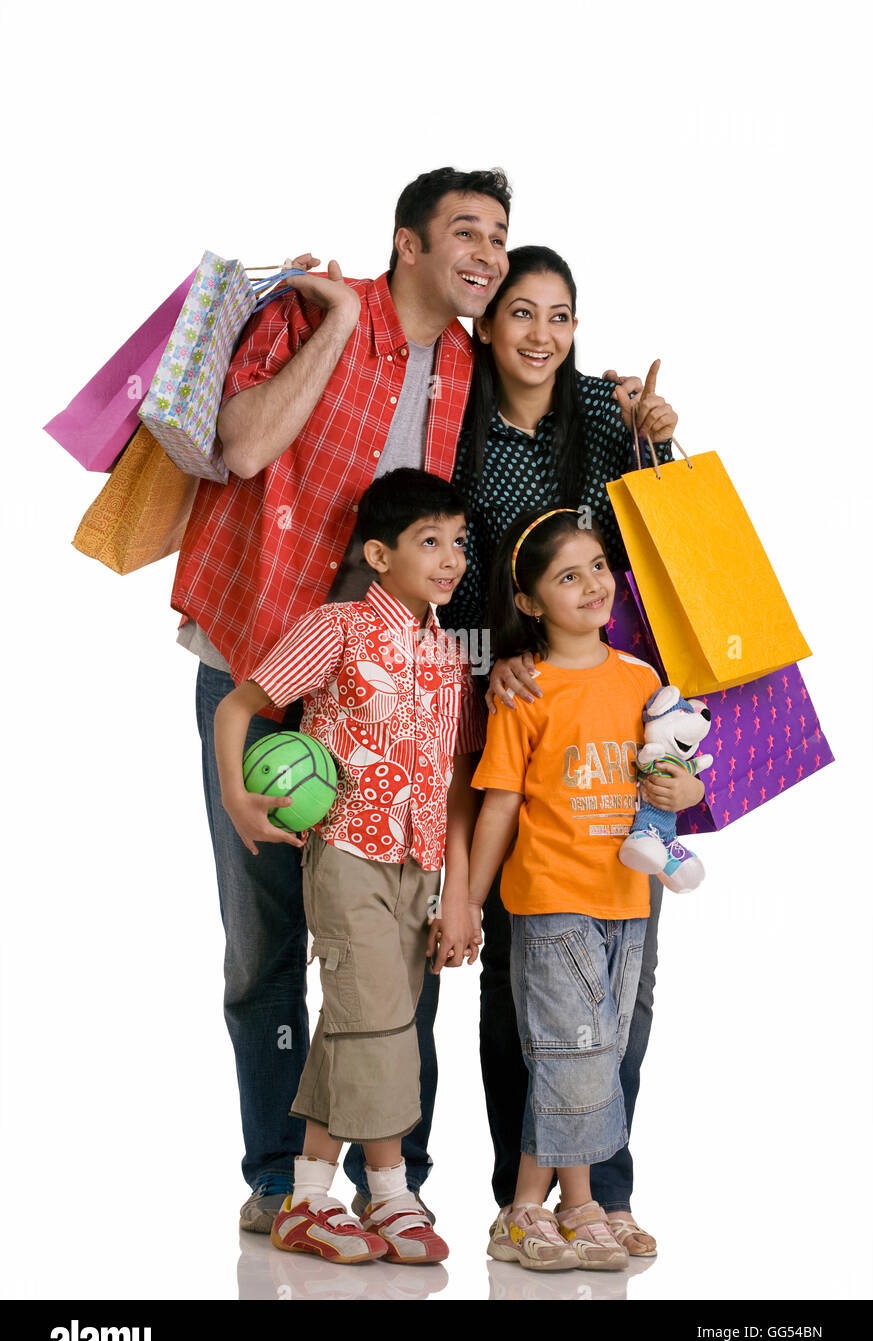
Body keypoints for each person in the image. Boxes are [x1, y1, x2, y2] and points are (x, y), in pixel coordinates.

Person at [171, 167, 511, 1231]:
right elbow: (242, 445)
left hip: (391, 697)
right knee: (265, 944)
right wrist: (343, 320)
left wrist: (635, 419)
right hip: (268, 661)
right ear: (407, 242)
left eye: (499, 236)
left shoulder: (467, 363)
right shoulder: (309, 312)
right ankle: (281, 1180)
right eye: (467, 232)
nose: (489, 256)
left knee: (396, 945)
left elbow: (519, 452)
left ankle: (386, 1180)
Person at [442, 245, 705, 1255]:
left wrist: (658, 439)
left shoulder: (599, 412)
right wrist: (493, 665)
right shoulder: (456, 415)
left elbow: (651, 539)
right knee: (530, 988)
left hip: (614, 702)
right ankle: (522, 1198)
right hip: (509, 694)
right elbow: (453, 565)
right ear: (486, 325)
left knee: (623, 991)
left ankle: (604, 1190)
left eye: (560, 315)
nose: (541, 335)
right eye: (521, 314)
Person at [212, 469, 483, 1263]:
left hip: (418, 866)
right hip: (346, 854)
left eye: (457, 543)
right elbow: (239, 706)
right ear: (377, 552)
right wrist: (237, 795)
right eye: (428, 542)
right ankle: (392, 1192)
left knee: (352, 1022)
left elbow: (458, 779)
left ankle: (307, 1199)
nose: (449, 558)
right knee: (382, 1023)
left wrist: (458, 893)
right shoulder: (334, 628)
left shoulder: (445, 655)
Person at [468, 508, 666, 1270]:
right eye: (566, 575)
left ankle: (526, 1212)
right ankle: (565, 1206)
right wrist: (463, 905)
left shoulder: (642, 680)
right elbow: (500, 803)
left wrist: (673, 793)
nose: (591, 585)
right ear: (527, 602)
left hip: (625, 900)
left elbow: (654, 787)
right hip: (550, 897)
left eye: (595, 566)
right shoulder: (525, 691)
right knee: (570, 1053)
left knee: (591, 1052)